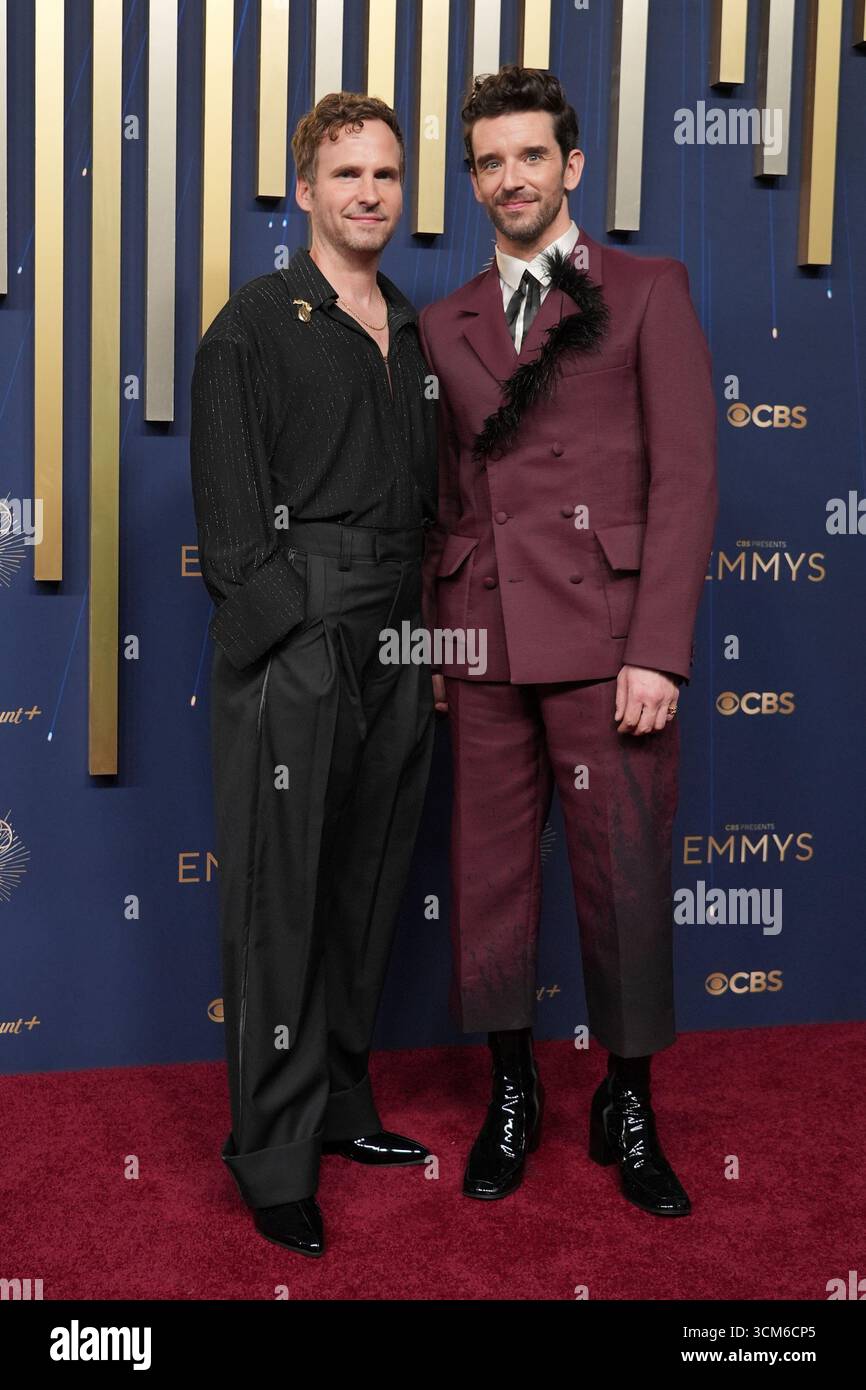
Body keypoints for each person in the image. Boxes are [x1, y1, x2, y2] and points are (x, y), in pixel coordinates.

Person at [419, 66, 718, 1216]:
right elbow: (445, 499)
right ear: (475, 180)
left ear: (571, 167)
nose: (509, 178)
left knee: (625, 878)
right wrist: (444, 649)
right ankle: (512, 1091)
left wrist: (660, 649)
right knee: (489, 878)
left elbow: (685, 478)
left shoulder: (644, 289)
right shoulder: (441, 323)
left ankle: (627, 1097)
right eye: (489, 161)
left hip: (608, 647)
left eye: (529, 156)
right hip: (486, 643)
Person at [189, 92, 438, 1256]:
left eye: (385, 173)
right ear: (305, 192)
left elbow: (433, 509)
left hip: (401, 626)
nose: (370, 193)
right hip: (303, 626)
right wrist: (296, 628)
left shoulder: (411, 324)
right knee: (280, 899)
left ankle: (341, 1103)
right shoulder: (252, 325)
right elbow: (235, 542)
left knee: (368, 880)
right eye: (346, 174)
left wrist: (421, 642)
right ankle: (274, 1154)